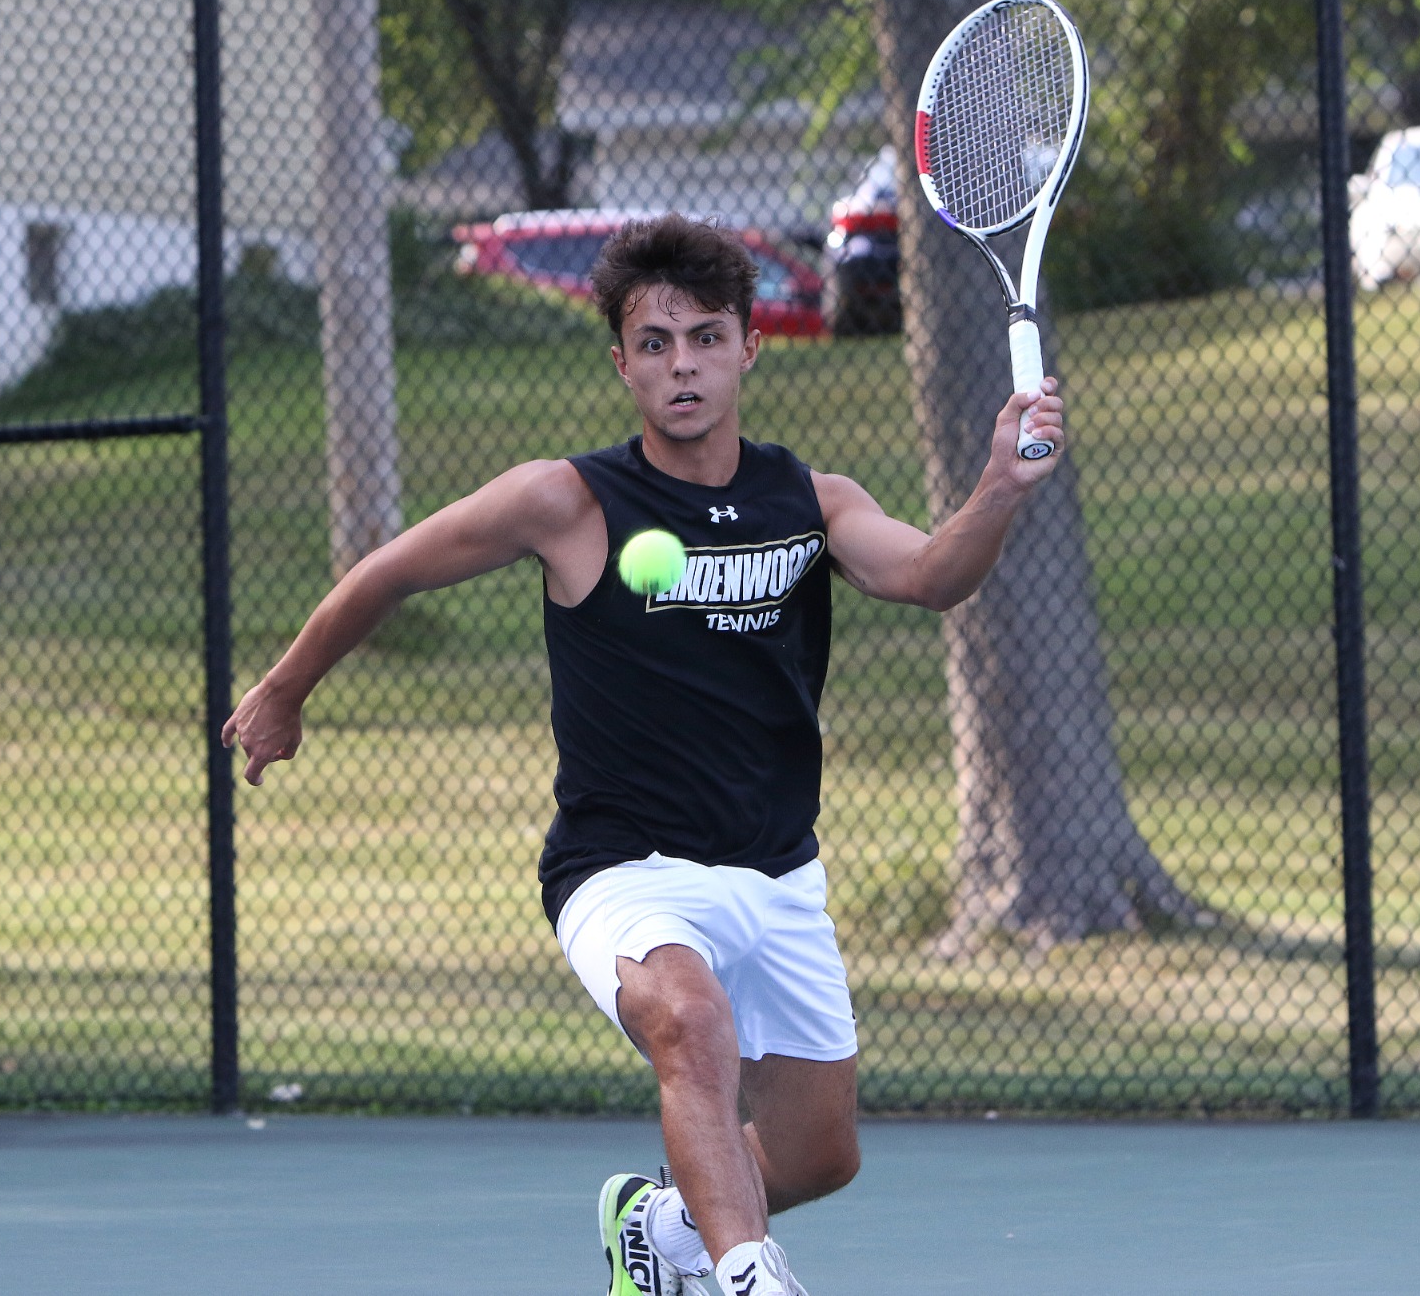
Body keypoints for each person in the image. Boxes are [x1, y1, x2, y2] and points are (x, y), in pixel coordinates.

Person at [222, 214, 1064, 1296]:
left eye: (705, 337)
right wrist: (286, 687)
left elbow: (932, 576)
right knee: (689, 1019)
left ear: (748, 348)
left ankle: (659, 1227)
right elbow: (389, 570)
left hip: (775, 869)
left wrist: (999, 484)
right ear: (620, 361)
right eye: (655, 343)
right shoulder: (567, 502)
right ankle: (749, 1276)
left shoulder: (808, 501)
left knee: (818, 1153)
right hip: (623, 866)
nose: (682, 366)